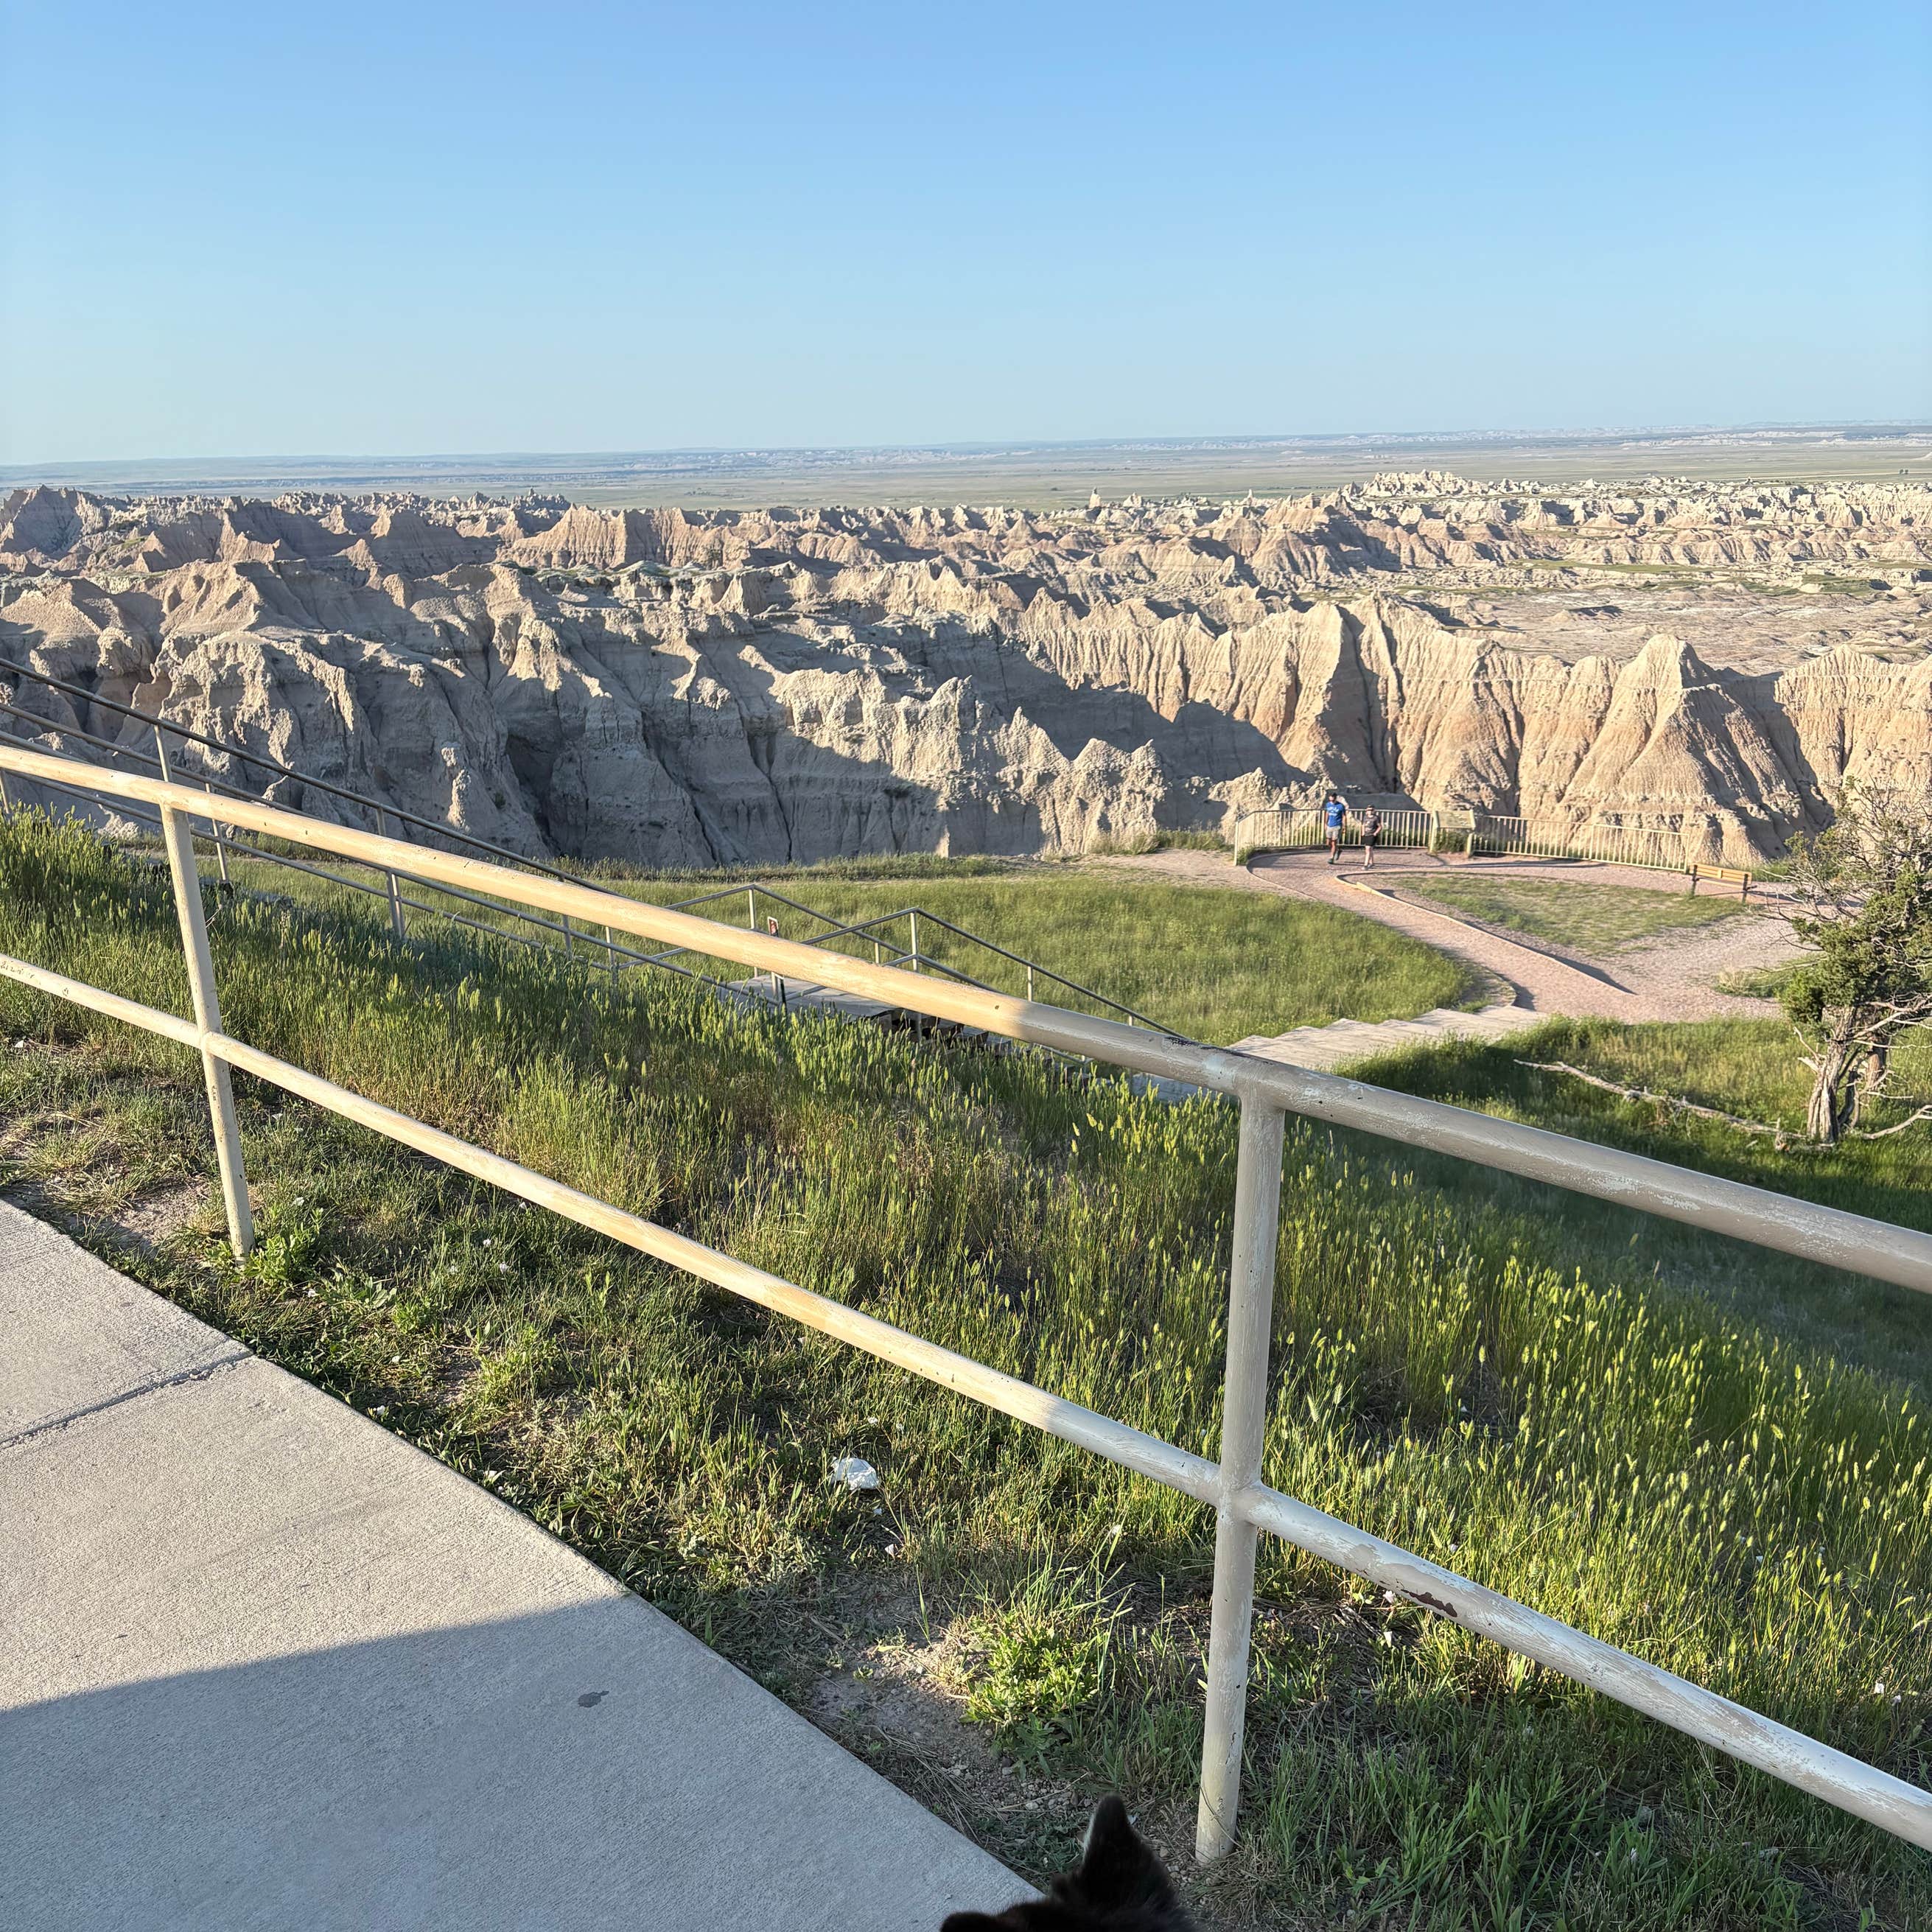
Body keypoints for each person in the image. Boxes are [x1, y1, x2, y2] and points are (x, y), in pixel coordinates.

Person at [1323, 791, 1347, 864]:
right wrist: (1325, 823)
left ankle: (1331, 857)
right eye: (1330, 797)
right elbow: (1327, 813)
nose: (1331, 798)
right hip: (1330, 825)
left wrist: (1344, 826)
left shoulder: (1341, 806)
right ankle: (1337, 850)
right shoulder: (1328, 805)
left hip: (1337, 825)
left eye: (1333, 797)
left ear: (1335, 798)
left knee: (1334, 842)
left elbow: (1344, 816)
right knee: (1328, 843)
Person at [1360, 804, 1382, 869]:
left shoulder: (1376, 818)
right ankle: (1372, 863)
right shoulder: (1365, 817)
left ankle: (1365, 865)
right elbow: (1363, 825)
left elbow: (1380, 827)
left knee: (1368, 849)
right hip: (1366, 834)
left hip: (1372, 835)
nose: (1370, 811)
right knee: (1370, 849)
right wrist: (1363, 832)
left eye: (1371, 810)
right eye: (1369, 810)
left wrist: (1376, 833)